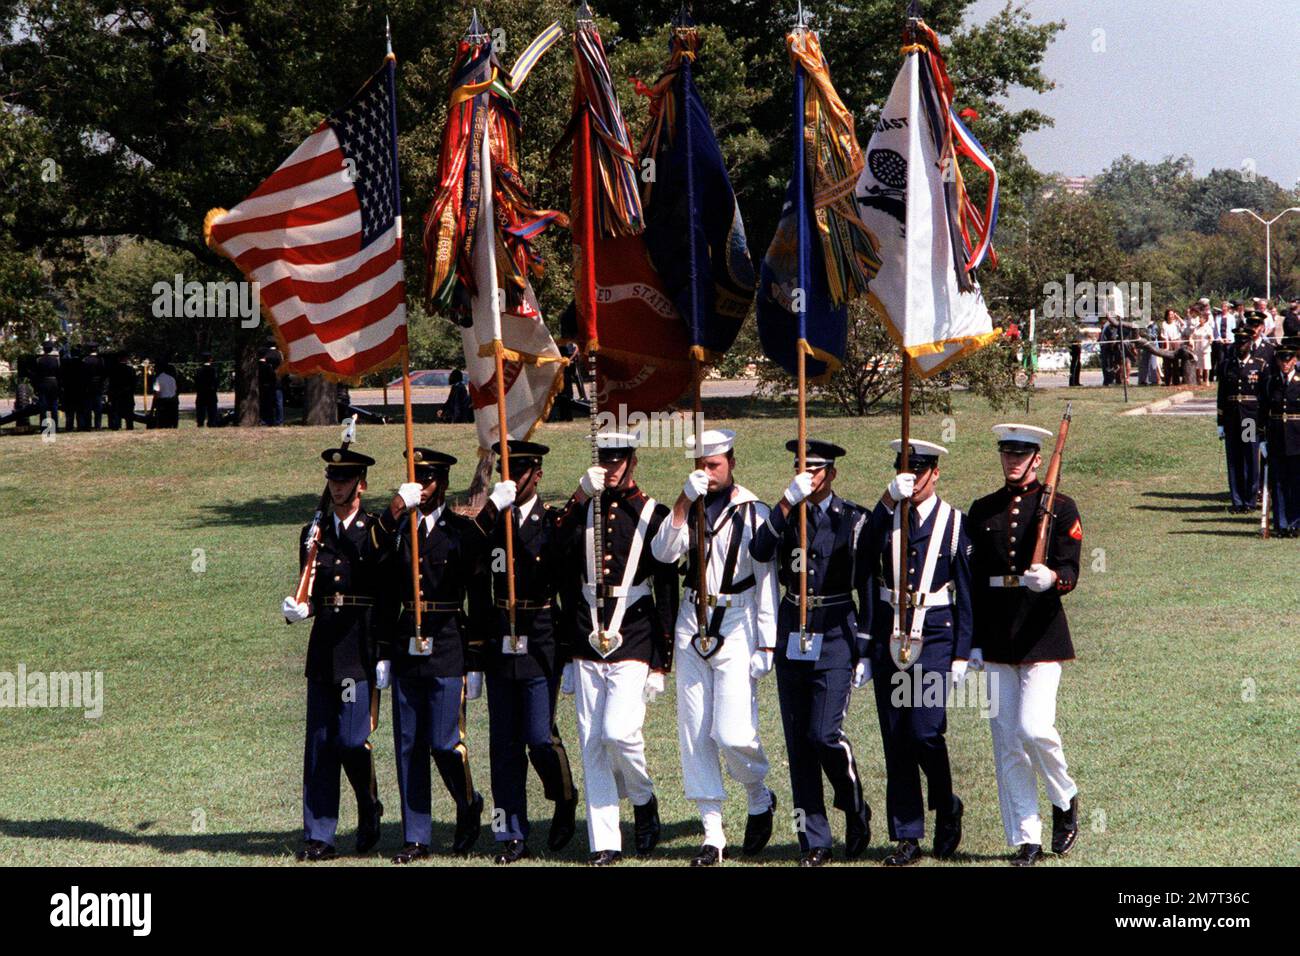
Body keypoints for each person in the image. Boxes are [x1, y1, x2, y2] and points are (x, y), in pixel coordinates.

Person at [650, 429, 778, 866]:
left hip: (738, 621)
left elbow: (765, 581)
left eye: (715, 465)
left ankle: (759, 794)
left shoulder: (754, 511)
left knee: (733, 731)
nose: (708, 472)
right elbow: (663, 555)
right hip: (692, 620)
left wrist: (768, 643)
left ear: (732, 462)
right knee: (695, 730)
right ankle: (712, 832)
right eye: (701, 465)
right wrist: (683, 502)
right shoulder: (691, 506)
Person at [554, 431, 678, 866]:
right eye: (604, 459)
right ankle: (605, 841)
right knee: (592, 742)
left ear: (632, 461)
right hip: (587, 632)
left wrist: (663, 661)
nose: (610, 467)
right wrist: (577, 496)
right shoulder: (583, 506)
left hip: (635, 632)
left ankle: (643, 801)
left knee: (619, 732)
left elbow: (667, 588)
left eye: (618, 460)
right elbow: (554, 556)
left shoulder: (651, 512)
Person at [749, 439, 872, 867]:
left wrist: (868, 644)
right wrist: (787, 502)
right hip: (792, 629)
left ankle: (854, 805)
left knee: (824, 734)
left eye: (817, 469)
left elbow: (868, 582)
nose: (809, 475)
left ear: (832, 474)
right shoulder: (785, 514)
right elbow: (759, 551)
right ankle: (813, 840)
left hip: (835, 628)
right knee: (799, 744)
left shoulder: (853, 519)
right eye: (802, 468)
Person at [967, 424, 1081, 866]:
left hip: (1041, 634)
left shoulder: (1060, 508)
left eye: (1021, 455)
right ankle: (1026, 837)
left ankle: (1065, 795)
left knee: (1035, 728)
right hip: (996, 636)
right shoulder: (983, 510)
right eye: (1006, 454)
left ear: (1037, 459)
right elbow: (972, 582)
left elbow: (1071, 568)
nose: (1012, 461)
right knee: (1007, 742)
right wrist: (973, 642)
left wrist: (1052, 578)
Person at [856, 439, 971, 866]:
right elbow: (862, 563)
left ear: (935, 473)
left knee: (924, 731)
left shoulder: (954, 522)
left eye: (919, 472)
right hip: (891, 636)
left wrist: (963, 651)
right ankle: (907, 833)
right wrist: (886, 500)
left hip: (936, 636)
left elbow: (967, 592)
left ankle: (945, 803)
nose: (913, 480)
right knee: (896, 738)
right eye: (905, 471)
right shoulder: (888, 518)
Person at [465, 440, 578, 864]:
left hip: (542, 635)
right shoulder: (491, 522)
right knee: (503, 745)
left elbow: (567, 585)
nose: (512, 480)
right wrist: (475, 654)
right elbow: (471, 570)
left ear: (538, 475)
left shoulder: (551, 524)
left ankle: (564, 797)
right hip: (499, 640)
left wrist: (566, 652)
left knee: (538, 736)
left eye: (522, 472)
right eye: (505, 473)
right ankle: (507, 831)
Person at [373, 448, 485, 861]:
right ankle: (416, 835)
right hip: (406, 644)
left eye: (429, 480)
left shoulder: (461, 532)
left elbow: (478, 597)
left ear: (443, 483)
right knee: (408, 745)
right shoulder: (398, 530)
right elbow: (384, 589)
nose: (422, 487)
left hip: (449, 642)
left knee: (443, 742)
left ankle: (468, 802)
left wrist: (474, 659)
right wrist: (384, 649)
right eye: (416, 478)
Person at [280, 446, 387, 862]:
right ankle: (319, 834)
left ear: (361, 484)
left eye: (345, 479)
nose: (337, 486)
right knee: (322, 745)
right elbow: (308, 583)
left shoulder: (373, 529)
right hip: (324, 648)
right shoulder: (314, 531)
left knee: (350, 740)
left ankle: (368, 803)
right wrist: (300, 609)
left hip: (358, 647)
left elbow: (385, 591)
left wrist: (383, 651)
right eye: (332, 479)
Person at [1217, 326, 1266, 513]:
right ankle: (1237, 501)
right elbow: (1221, 395)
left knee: (1250, 459)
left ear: (1250, 343)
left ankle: (1250, 500)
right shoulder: (1227, 365)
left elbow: (1263, 397)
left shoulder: (1258, 365)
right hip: (1231, 419)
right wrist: (1220, 422)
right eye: (1238, 342)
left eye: (1244, 342)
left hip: (1249, 419)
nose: (1241, 346)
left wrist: (1261, 423)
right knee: (1234, 460)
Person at [1259, 338, 1300, 536]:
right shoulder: (1270, 382)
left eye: (1289, 359)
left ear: (1295, 360)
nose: (1285, 363)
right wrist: (1258, 440)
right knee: (1278, 483)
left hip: (1297, 440)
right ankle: (1281, 524)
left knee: (1296, 483)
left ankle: (1296, 523)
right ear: (1277, 362)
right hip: (1275, 440)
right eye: (1282, 360)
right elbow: (1260, 414)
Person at [107, 352, 137, 430]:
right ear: (126, 359)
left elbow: (111, 384)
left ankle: (116, 426)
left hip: (116, 394)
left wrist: (110, 395)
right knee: (129, 414)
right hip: (128, 394)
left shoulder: (113, 370)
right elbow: (134, 384)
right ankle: (129, 427)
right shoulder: (131, 370)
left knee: (116, 412)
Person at [258, 340, 284, 426]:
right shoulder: (279, 354)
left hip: (268, 382)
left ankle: (268, 420)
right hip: (278, 381)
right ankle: (279, 421)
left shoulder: (265, 354)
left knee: (267, 402)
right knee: (278, 403)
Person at [35, 341, 60, 429]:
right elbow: (58, 372)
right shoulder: (55, 360)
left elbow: (37, 374)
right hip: (53, 382)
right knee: (54, 406)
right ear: (51, 349)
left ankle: (44, 427)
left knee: (43, 406)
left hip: (43, 382)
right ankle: (55, 426)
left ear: (44, 349)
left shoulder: (39, 360)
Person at [82, 343, 106, 429]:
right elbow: (103, 373)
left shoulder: (85, 360)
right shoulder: (100, 360)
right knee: (98, 406)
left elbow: (83, 374)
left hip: (88, 384)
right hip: (98, 384)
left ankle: (88, 425)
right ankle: (97, 425)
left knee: (88, 406)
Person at [151, 362, 180, 428]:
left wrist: (152, 409)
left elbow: (156, 394)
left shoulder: (158, 379)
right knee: (172, 423)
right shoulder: (172, 379)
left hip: (163, 403)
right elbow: (175, 391)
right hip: (173, 402)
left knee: (163, 424)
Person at [1190, 311, 1214, 385]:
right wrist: (1191, 342)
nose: (1200, 319)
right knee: (1198, 365)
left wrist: (1210, 341)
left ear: (1205, 319)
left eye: (1201, 318)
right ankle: (1198, 380)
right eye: (1199, 317)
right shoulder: (1196, 327)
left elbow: (1211, 337)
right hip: (1197, 349)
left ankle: (1206, 380)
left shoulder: (1208, 327)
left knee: (1206, 366)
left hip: (1205, 349)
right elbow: (1191, 336)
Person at [195, 352, 219, 427]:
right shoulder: (214, 370)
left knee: (200, 410)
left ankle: (200, 423)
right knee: (212, 410)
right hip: (211, 393)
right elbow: (216, 382)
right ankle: (212, 423)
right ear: (210, 359)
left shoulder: (198, 370)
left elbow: (196, 382)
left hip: (201, 393)